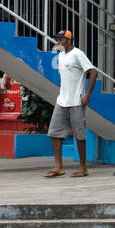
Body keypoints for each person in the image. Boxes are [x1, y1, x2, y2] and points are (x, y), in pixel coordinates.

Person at [44, 30, 97, 178]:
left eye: (60, 39)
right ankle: (58, 166)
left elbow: (93, 72)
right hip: (62, 100)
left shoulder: (78, 54)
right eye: (57, 39)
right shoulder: (61, 56)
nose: (58, 42)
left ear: (68, 40)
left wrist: (87, 94)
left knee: (79, 134)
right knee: (54, 132)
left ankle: (83, 167)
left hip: (76, 100)